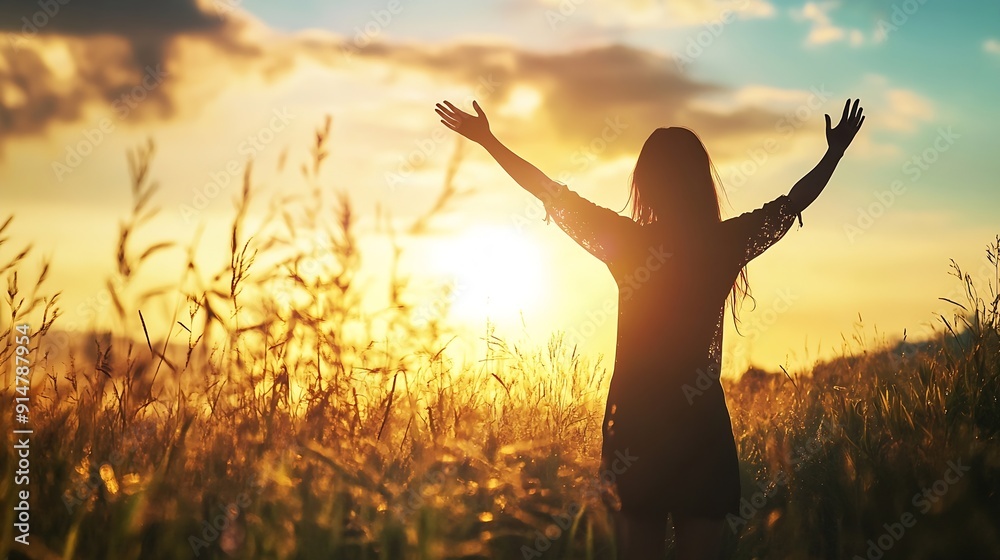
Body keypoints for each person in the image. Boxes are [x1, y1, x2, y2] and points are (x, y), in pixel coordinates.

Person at [435, 98, 865, 559]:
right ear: (700, 182)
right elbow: (792, 201)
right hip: (701, 425)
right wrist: (833, 154)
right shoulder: (722, 244)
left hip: (636, 428)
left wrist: (489, 140)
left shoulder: (629, 244)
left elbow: (547, 190)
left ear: (645, 185)